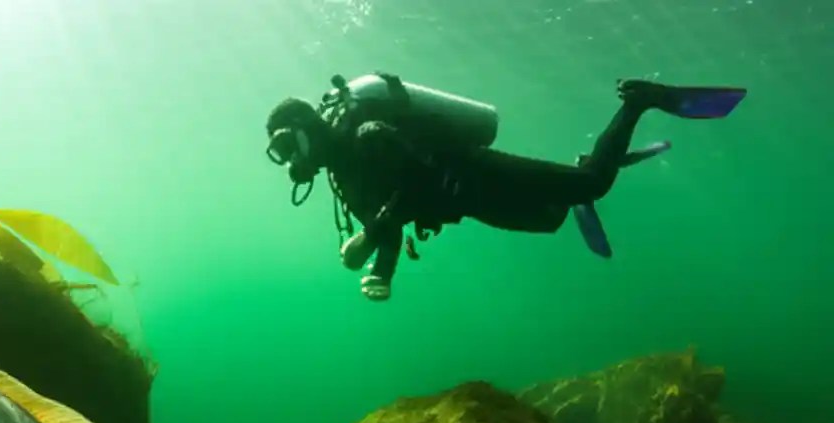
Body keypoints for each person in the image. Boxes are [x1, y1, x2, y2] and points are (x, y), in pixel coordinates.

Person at [264, 73, 747, 301]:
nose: (289, 161)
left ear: (306, 127)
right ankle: (581, 165)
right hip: (469, 202)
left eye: (287, 145)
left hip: (476, 173)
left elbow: (409, 186)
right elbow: (389, 216)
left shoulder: (366, 135)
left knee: (591, 185)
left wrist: (372, 246)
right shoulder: (342, 170)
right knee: (550, 219)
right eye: (280, 153)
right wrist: (382, 268)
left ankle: (641, 102)